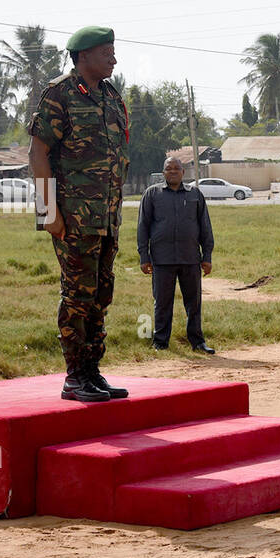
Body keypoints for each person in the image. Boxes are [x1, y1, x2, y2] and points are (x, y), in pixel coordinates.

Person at [28, 25, 130, 403]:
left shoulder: (110, 96)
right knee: (77, 295)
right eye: (108, 53)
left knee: (101, 294)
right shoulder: (60, 94)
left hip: (105, 217)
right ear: (83, 55)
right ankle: (74, 377)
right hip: (71, 217)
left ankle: (92, 372)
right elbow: (37, 153)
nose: (114, 59)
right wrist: (47, 212)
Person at [137, 156, 216, 353]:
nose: (173, 171)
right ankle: (161, 342)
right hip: (161, 259)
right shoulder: (152, 194)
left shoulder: (195, 194)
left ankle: (197, 342)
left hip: (190, 258)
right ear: (163, 173)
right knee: (162, 302)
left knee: (194, 303)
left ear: (183, 172)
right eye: (168, 168)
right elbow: (143, 227)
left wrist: (207, 256)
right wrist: (144, 257)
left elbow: (205, 227)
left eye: (176, 168)